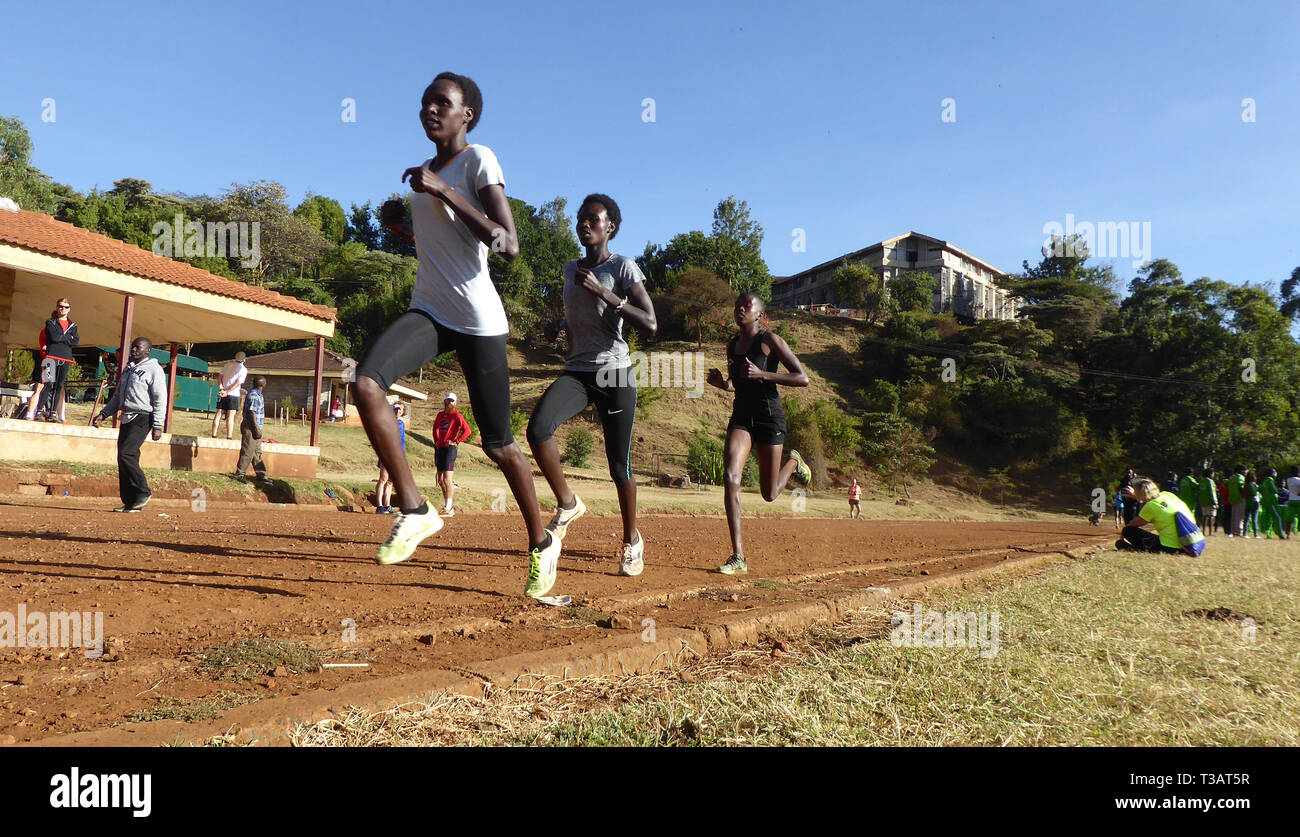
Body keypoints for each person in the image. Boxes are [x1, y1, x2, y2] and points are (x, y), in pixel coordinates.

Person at [356, 71, 558, 597]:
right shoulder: (425, 172)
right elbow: (443, 242)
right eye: (425, 101)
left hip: (479, 320)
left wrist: (443, 190)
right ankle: (416, 508)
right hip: (430, 309)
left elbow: (508, 245)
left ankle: (541, 543)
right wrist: (409, 225)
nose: (430, 108)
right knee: (366, 384)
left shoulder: (478, 159)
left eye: (442, 102)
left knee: (499, 445)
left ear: (466, 114)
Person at [527, 194, 658, 577]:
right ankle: (568, 503)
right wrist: (559, 326)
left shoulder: (623, 267)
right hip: (578, 371)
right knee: (538, 429)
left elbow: (650, 324)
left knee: (620, 466)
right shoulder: (570, 269)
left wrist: (606, 293)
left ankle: (631, 540)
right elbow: (578, 316)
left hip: (614, 374)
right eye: (580, 219)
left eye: (592, 219)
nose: (583, 224)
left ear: (609, 227)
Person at [706, 292, 811, 574]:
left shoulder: (770, 341)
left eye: (746, 306)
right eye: (736, 306)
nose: (740, 309)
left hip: (769, 417)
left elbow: (802, 378)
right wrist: (721, 384)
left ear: (759, 314)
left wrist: (764, 375)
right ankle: (738, 556)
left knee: (769, 494)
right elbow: (737, 385)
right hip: (742, 417)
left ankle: (794, 463)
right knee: (731, 477)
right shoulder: (732, 346)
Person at [91, 337, 167, 512]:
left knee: (127, 453)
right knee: (123, 456)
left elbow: (160, 398)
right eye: (133, 347)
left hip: (143, 416)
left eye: (138, 348)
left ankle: (143, 491)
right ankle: (131, 501)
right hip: (127, 416)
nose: (133, 350)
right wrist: (104, 413)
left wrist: (157, 425)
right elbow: (118, 396)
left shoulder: (154, 370)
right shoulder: (128, 369)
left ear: (148, 351)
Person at [1116, 478, 1206, 556]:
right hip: (1191, 543)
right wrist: (1137, 497)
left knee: (1127, 531)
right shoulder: (1167, 495)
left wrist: (1121, 541)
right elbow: (1156, 503)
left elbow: (1133, 524)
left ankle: (1131, 548)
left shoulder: (1151, 506)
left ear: (1139, 493)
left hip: (1172, 548)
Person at [33, 299, 78, 422]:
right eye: (60, 306)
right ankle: (39, 411)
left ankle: (53, 413)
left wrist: (62, 338)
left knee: (59, 386)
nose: (62, 308)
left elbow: (76, 341)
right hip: (50, 357)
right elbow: (53, 337)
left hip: (65, 358)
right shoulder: (50, 322)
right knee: (48, 384)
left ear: (69, 309)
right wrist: (66, 338)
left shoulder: (73, 325)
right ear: (57, 307)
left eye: (65, 307)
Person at [432, 392, 472, 516]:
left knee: (447, 479)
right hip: (440, 448)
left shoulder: (457, 415)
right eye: (448, 400)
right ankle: (447, 505)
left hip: (450, 449)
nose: (450, 402)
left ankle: (448, 507)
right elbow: (435, 428)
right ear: (445, 401)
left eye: (452, 401)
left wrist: (457, 441)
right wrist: (437, 440)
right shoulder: (440, 415)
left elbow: (467, 431)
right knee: (440, 480)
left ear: (455, 403)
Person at [234, 375, 269, 482]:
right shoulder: (254, 395)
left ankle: (261, 475)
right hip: (251, 427)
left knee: (257, 452)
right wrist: (256, 429)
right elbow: (251, 412)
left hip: (256, 427)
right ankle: (240, 474)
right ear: (262, 384)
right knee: (248, 451)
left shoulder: (259, 395)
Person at [375, 403, 407, 513]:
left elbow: (402, 441)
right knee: (383, 478)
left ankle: (387, 505)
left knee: (390, 481)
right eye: (396, 408)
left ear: (403, 412)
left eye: (400, 409)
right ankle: (379, 506)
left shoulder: (401, 424)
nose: (398, 411)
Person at [211, 352, 248, 439]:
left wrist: (221, 388)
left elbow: (219, 377)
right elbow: (238, 383)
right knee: (230, 416)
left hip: (222, 392)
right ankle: (229, 437)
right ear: (244, 359)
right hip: (233, 394)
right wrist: (227, 391)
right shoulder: (243, 369)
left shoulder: (227, 365)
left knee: (218, 413)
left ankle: (214, 434)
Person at [1258, 467, 1286, 540]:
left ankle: (1269, 534)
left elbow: (1260, 489)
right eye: (1275, 473)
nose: (1276, 474)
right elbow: (1274, 490)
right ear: (1272, 474)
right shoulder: (1270, 481)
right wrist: (1277, 490)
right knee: (1277, 518)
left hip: (1266, 502)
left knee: (1269, 519)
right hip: (1272, 502)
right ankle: (1280, 534)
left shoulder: (1264, 481)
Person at [1225, 464, 1246, 537]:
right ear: (1242, 471)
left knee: (1233, 516)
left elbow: (1226, 485)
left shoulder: (1231, 478)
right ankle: (1239, 532)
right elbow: (1241, 487)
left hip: (1232, 499)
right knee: (1240, 516)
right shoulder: (1241, 477)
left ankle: (1233, 531)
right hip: (1240, 499)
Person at [1196, 468, 1218, 536]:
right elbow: (1212, 492)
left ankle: (1203, 531)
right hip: (1210, 501)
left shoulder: (1201, 481)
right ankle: (1210, 532)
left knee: (1204, 516)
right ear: (1210, 474)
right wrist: (1215, 502)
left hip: (1203, 501)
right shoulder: (1210, 481)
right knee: (1211, 516)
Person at [1243, 471, 1260, 538]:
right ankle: (1256, 534)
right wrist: (1257, 488)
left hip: (1248, 502)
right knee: (1254, 519)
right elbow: (1254, 492)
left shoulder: (1246, 485)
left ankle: (1244, 533)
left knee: (1246, 518)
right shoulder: (1252, 485)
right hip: (1254, 502)